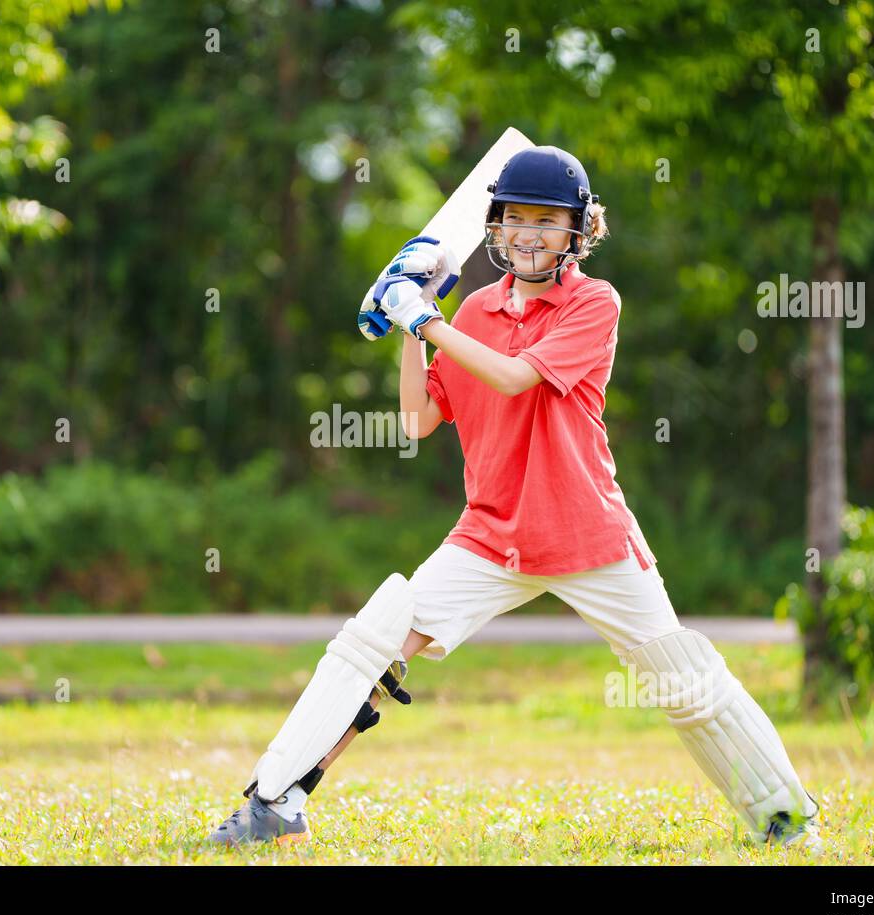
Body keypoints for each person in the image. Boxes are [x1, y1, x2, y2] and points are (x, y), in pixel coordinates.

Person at [207, 145, 821, 853]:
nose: (529, 234)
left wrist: (425, 322)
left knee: (683, 683)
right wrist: (416, 323)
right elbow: (418, 419)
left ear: (578, 231)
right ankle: (275, 800)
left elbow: (511, 379)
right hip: (492, 534)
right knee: (374, 642)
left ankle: (784, 814)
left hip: (587, 534)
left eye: (547, 221)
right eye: (515, 219)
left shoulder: (595, 302)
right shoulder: (473, 309)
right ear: (494, 226)